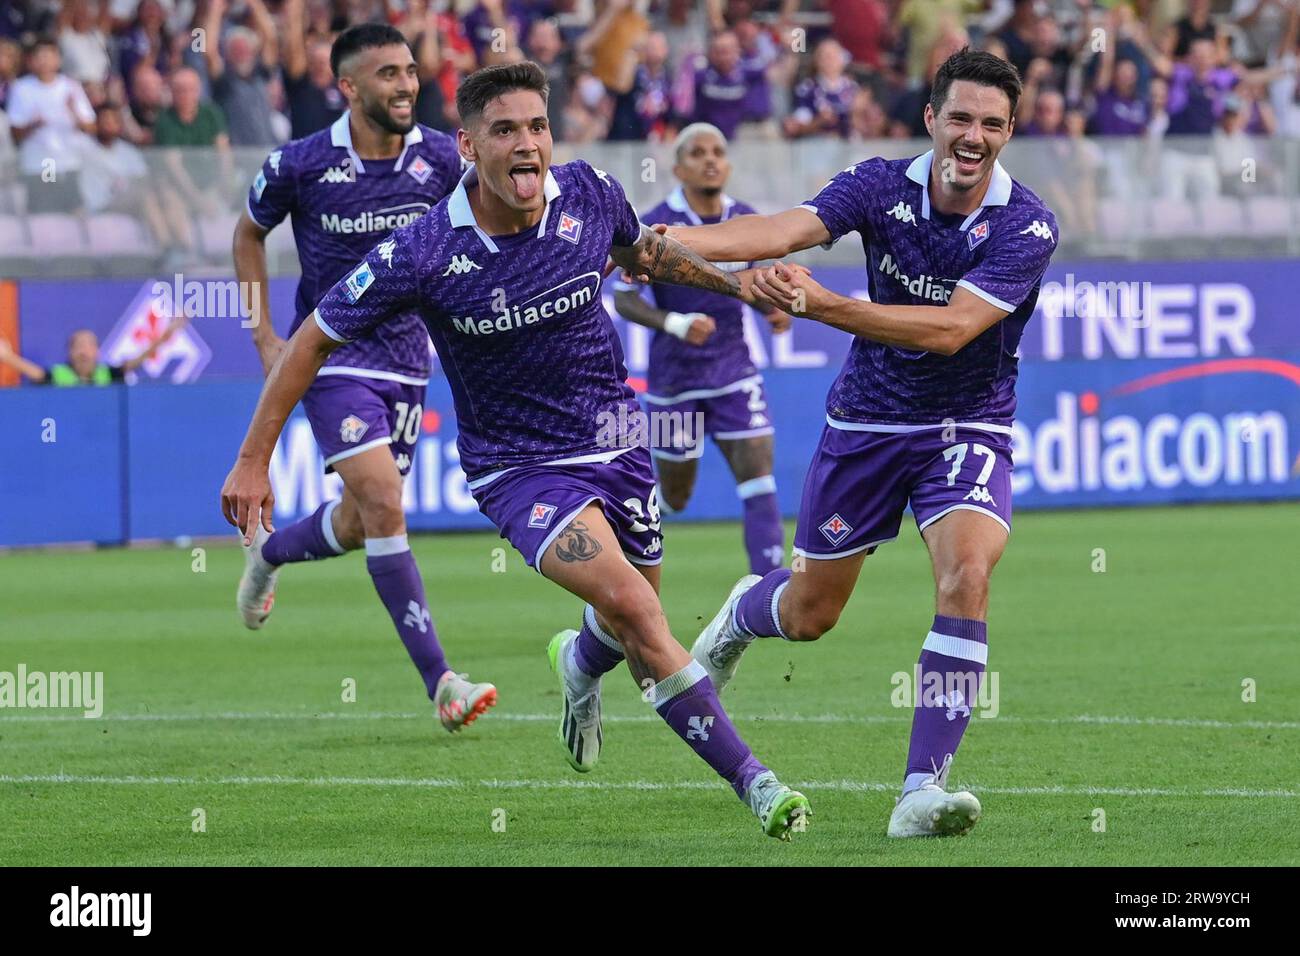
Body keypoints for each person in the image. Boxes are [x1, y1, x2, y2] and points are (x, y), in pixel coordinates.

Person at [220, 62, 811, 840]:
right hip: (518, 469)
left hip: (616, 440)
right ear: (467, 144)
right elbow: (311, 342)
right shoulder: (422, 251)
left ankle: (576, 667)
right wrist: (254, 458)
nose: (527, 144)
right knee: (636, 608)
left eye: (537, 126)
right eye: (505, 130)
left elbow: (646, 256)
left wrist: (741, 286)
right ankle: (761, 787)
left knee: (632, 621)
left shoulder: (592, 193)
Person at [659, 48, 1058, 839]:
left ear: (1010, 131)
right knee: (810, 614)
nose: (973, 136)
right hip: (867, 424)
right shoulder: (878, 184)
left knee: (967, 573)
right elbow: (785, 229)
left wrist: (822, 304)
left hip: (965, 423)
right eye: (961, 118)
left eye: (991, 123)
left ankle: (920, 790)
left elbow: (950, 330)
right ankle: (741, 615)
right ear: (932, 119)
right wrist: (663, 237)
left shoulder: (1028, 223)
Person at [230, 24, 493, 735]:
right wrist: (263, 334)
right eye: (387, 74)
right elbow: (248, 232)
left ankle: (269, 555)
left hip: (409, 364)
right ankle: (442, 681)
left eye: (410, 71)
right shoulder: (301, 163)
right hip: (331, 357)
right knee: (383, 498)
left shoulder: (443, 159)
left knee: (358, 520)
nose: (406, 85)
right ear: (348, 87)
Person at [614, 122, 789, 576]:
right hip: (676, 382)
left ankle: (767, 591)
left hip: (735, 372)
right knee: (675, 496)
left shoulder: (747, 219)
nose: (710, 159)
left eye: (717, 151)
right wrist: (674, 322)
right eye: (697, 153)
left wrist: (776, 309)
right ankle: (634, 550)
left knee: (759, 479)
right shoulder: (656, 225)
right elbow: (624, 296)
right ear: (677, 168)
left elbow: (765, 281)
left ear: (728, 164)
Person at [6, 37, 96, 213]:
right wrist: (33, 125)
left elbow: (91, 127)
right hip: (42, 162)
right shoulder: (22, 88)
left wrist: (74, 113)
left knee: (76, 212)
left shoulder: (71, 86)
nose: (45, 60)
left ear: (58, 59)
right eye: (40, 56)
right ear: (30, 61)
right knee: (46, 212)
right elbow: (15, 133)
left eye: (49, 55)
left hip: (69, 161)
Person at [0, 320, 187, 386]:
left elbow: (137, 361)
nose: (83, 351)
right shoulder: (59, 375)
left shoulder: (108, 374)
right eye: (78, 346)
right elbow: (37, 374)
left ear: (97, 351)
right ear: (70, 352)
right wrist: (7, 357)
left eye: (88, 346)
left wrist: (165, 337)